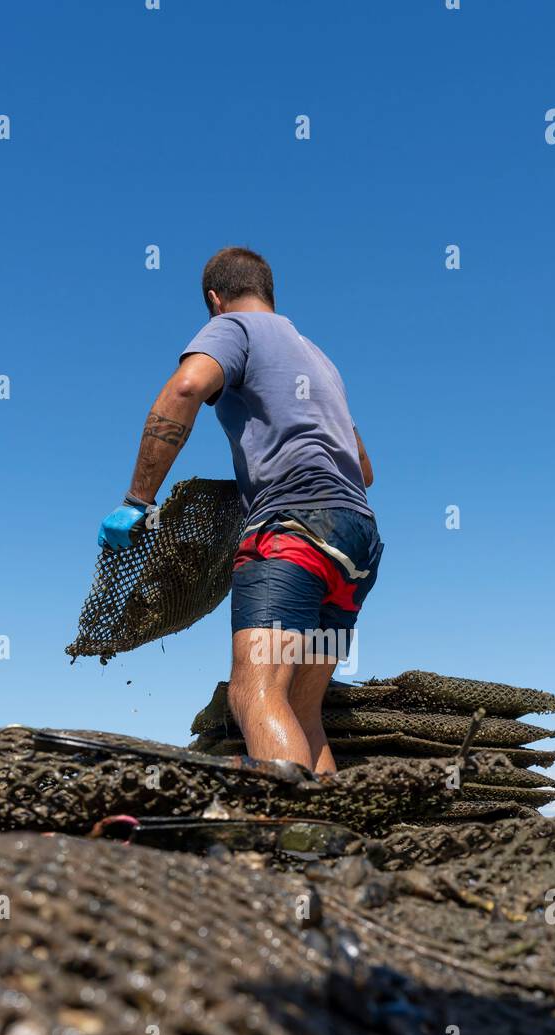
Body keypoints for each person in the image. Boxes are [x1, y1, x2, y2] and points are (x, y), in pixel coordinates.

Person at [98, 247, 382, 773]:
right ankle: (327, 844)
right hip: (356, 544)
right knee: (302, 709)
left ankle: (292, 842)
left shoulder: (234, 329)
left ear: (215, 300)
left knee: (253, 692)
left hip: (292, 532)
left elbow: (185, 387)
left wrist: (137, 499)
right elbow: (364, 469)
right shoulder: (319, 358)